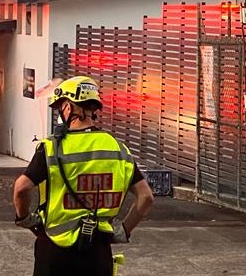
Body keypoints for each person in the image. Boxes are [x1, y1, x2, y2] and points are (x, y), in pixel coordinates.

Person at [12, 76, 155, 276]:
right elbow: (146, 197)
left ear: (69, 107)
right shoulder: (117, 148)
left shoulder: (52, 147)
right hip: (98, 251)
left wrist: (26, 219)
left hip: (54, 249)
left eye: (60, 107)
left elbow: (22, 187)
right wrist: (124, 229)